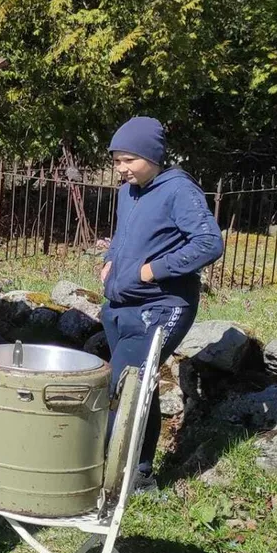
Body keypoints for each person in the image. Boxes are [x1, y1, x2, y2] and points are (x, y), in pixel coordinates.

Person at [100, 116, 223, 491]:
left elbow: (208, 243)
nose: (121, 169)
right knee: (141, 387)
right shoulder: (129, 192)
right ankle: (140, 475)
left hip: (161, 306)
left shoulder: (179, 190)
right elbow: (128, 235)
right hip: (120, 306)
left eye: (128, 160)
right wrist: (111, 262)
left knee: (123, 386)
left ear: (152, 156)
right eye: (117, 160)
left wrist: (153, 270)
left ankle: (105, 476)